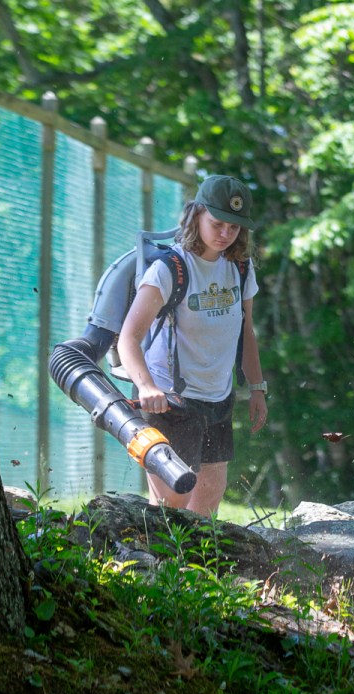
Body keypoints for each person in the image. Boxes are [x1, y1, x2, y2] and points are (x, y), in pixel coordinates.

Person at [115, 174, 268, 515]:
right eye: (218, 223)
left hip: (218, 398)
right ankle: (153, 566)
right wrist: (146, 387)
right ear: (196, 214)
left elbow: (247, 332)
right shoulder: (170, 269)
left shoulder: (240, 269)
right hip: (171, 402)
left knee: (210, 496)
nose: (226, 234)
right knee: (174, 502)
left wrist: (257, 387)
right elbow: (129, 337)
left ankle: (192, 570)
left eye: (234, 227)